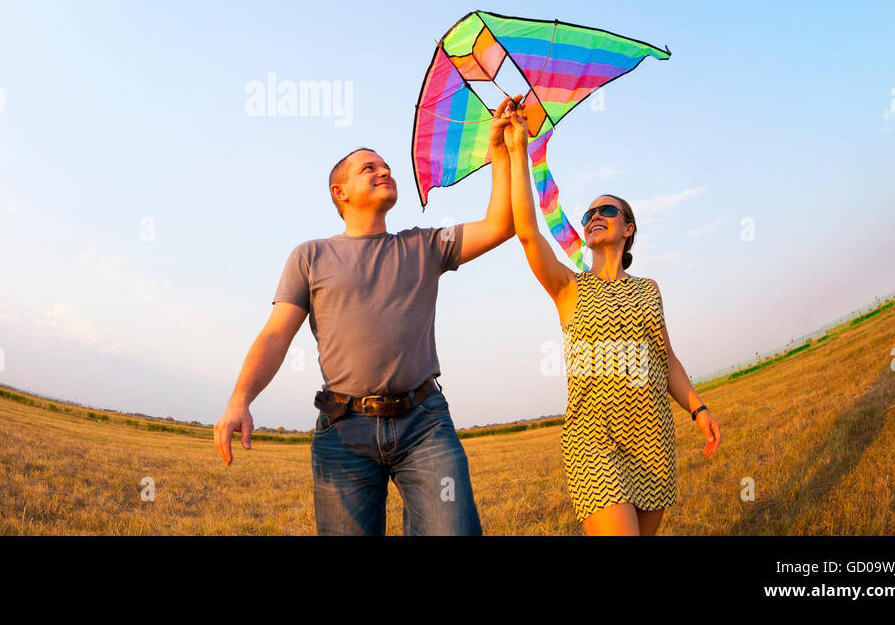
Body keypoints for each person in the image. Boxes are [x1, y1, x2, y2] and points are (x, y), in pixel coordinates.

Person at [212, 103, 520, 535]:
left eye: (387, 167)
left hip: (425, 424)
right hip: (343, 432)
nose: (384, 171)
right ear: (340, 192)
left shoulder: (425, 246)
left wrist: (502, 152)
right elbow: (276, 335)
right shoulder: (310, 255)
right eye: (368, 168)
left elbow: (501, 224)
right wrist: (239, 400)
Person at [502, 94, 721, 535]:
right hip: (593, 442)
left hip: (652, 438)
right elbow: (527, 232)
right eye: (588, 213)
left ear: (629, 228)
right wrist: (516, 152)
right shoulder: (568, 286)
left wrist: (698, 410)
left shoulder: (648, 290)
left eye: (607, 211)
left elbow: (667, 360)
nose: (594, 217)